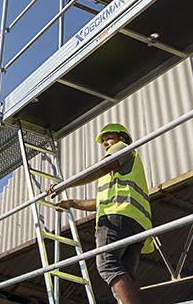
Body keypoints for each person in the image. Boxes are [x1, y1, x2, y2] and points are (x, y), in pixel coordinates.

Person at [45, 123, 152, 304]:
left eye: (108, 138)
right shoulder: (125, 167)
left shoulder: (122, 148)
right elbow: (100, 202)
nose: (105, 143)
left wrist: (63, 185)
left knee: (107, 264)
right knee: (124, 273)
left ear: (121, 138)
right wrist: (73, 203)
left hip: (117, 217)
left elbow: (99, 169)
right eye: (103, 141)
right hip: (137, 222)